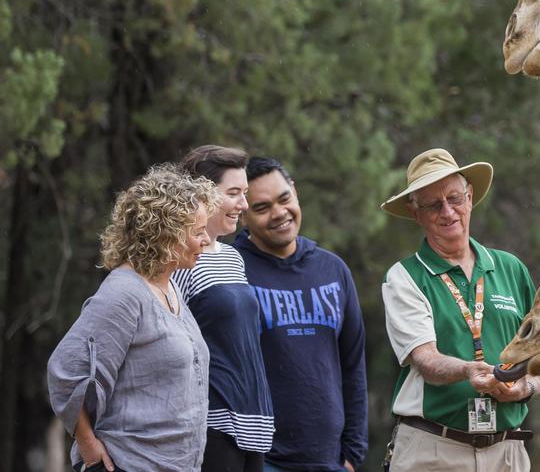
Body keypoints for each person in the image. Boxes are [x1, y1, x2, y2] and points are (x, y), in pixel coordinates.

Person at [379, 148, 540, 472]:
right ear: (416, 213)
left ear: (469, 197)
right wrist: (468, 370)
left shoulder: (511, 268)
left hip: (508, 451)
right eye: (433, 205)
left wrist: (525, 388)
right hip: (434, 451)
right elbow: (426, 360)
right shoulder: (404, 277)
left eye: (454, 198)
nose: (448, 211)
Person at [47, 164, 219, 472]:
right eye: (197, 232)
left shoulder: (170, 287)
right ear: (166, 235)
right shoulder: (125, 292)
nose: (206, 239)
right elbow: (65, 372)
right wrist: (88, 446)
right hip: (129, 463)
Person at [233, 156, 366, 472]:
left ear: (294, 190)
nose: (279, 213)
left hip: (331, 461)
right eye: (262, 208)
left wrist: (353, 453)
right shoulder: (231, 271)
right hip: (261, 461)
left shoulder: (332, 269)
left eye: (284, 199)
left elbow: (353, 364)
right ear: (243, 215)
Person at [174, 145, 275, 472]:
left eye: (244, 193)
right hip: (212, 424)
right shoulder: (181, 260)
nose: (244, 205)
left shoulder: (233, 257)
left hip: (253, 423)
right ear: (201, 194)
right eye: (234, 193)